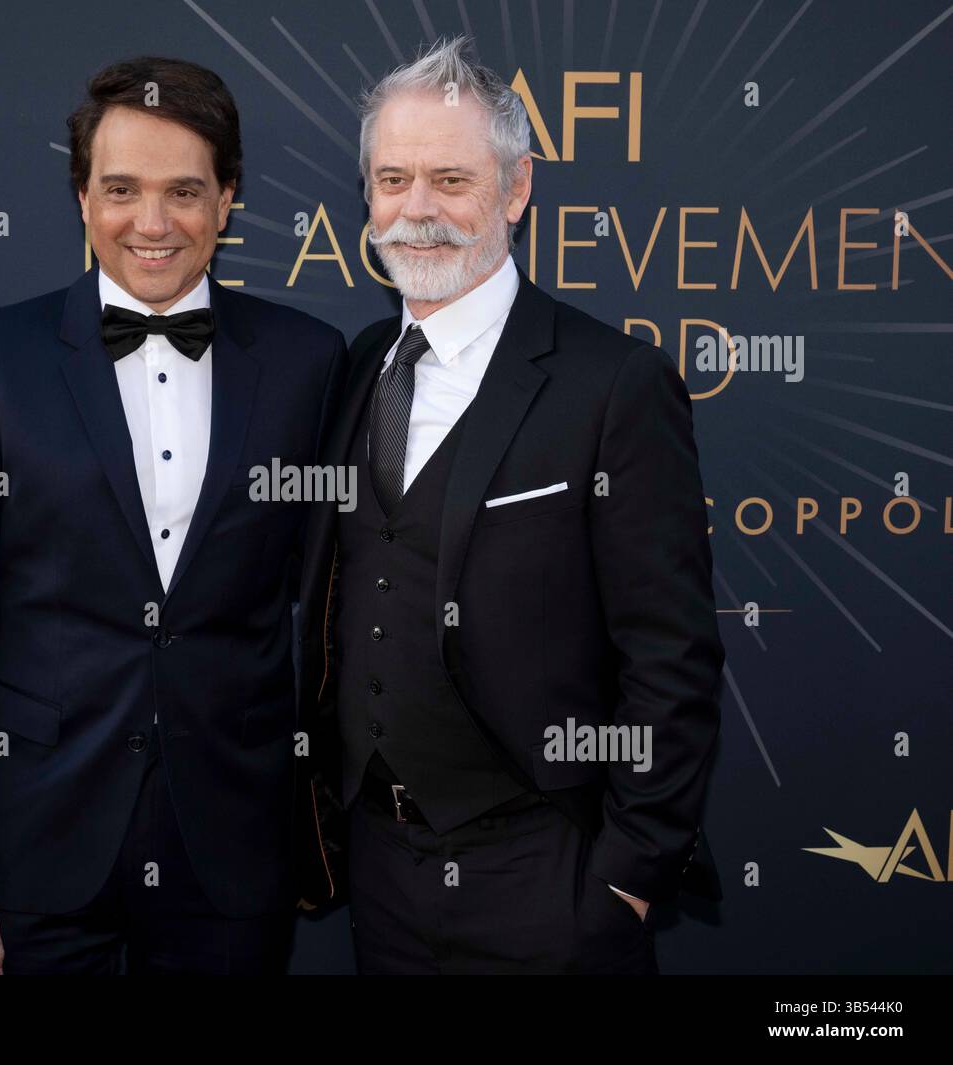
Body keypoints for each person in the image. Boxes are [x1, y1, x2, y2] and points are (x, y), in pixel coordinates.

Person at [0, 55, 347, 974]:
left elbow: (336, 607)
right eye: (121, 189)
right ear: (83, 201)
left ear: (226, 204)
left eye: (184, 191)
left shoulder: (309, 361)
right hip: (37, 851)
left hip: (233, 853)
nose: (152, 223)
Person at [293, 36, 724, 974]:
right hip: (379, 866)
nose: (417, 210)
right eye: (392, 178)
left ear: (517, 190)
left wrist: (627, 877)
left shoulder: (614, 384)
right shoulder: (359, 365)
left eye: (451, 178)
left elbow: (672, 654)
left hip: (548, 873)